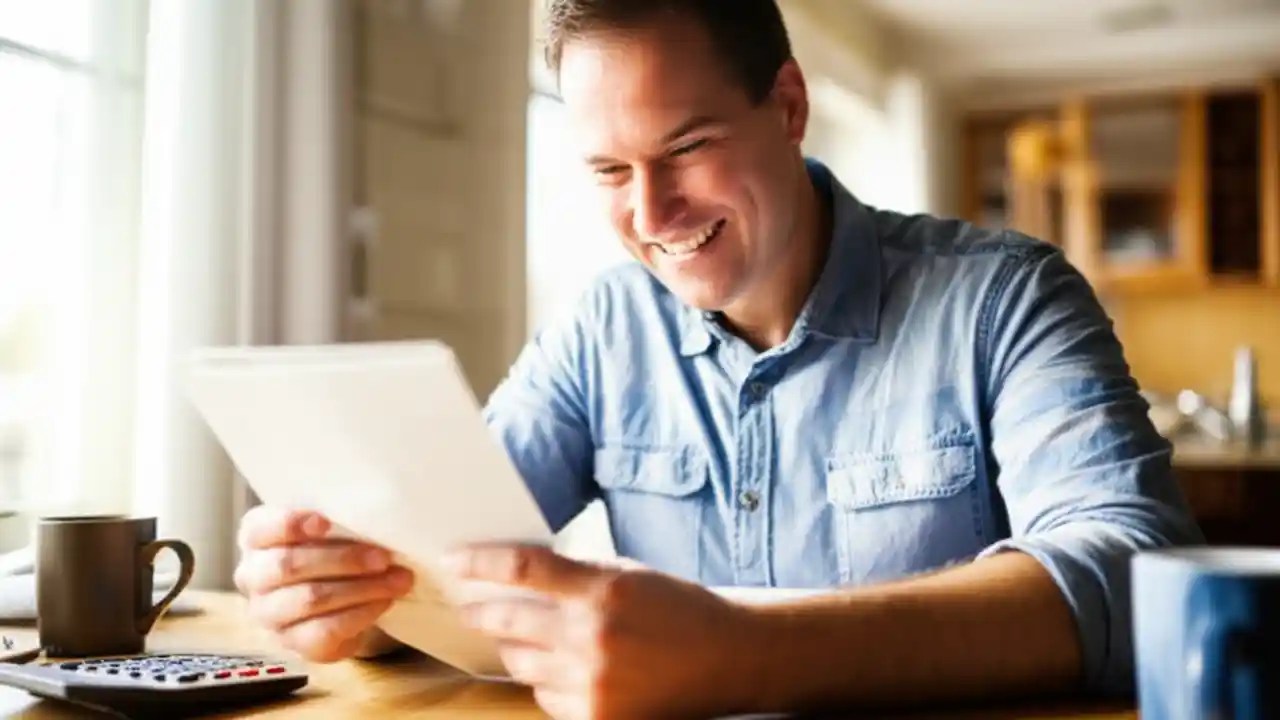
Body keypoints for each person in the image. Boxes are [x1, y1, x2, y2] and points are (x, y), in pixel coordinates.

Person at [232, 0, 1203, 717]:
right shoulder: (601, 331)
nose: (649, 219)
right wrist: (353, 600)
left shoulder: (1005, 296)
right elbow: (451, 558)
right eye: (609, 171)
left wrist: (745, 653)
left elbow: (1133, 573)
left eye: (686, 148)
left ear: (786, 106)